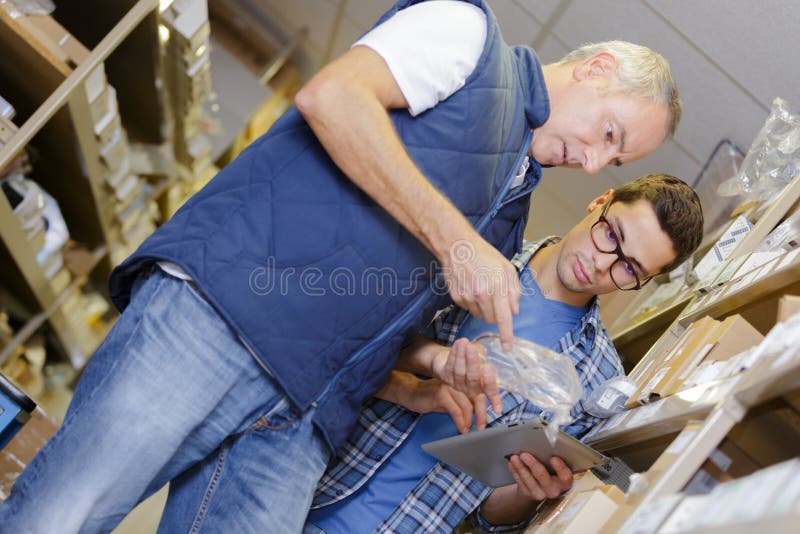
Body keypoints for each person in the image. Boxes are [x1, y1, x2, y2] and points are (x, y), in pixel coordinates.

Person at [0, 1, 682, 532]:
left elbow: (388, 313)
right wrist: (456, 240)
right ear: (594, 70)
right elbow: (333, 98)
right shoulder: (470, 39)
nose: (594, 161)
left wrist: (428, 373)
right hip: (227, 319)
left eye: (614, 159)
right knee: (60, 518)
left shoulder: (511, 216)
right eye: (609, 134)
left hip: (309, 417)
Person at [296, 175, 703, 533]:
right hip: (308, 481)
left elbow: (488, 518)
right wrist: (432, 358)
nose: (601, 264)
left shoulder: (599, 380)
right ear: (600, 201)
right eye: (611, 235)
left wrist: (528, 492)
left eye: (629, 269)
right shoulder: (478, 253)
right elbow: (345, 342)